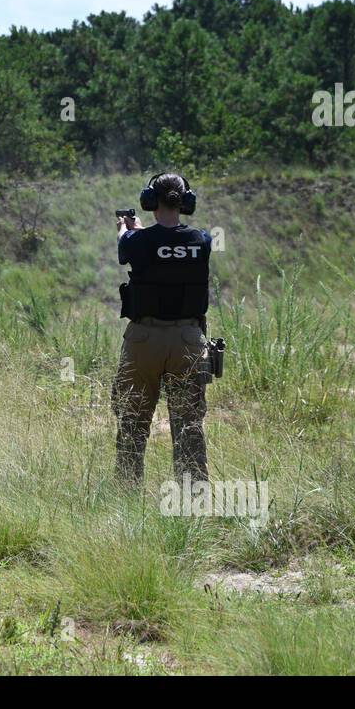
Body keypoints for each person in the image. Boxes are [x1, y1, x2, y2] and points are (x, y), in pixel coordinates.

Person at [111, 172, 212, 485]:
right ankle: (192, 501)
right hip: (188, 340)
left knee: (133, 424)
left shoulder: (138, 241)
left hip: (144, 340)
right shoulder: (202, 240)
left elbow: (128, 247)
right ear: (186, 202)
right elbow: (170, 246)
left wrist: (127, 229)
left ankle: (126, 498)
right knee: (188, 428)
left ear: (150, 202)